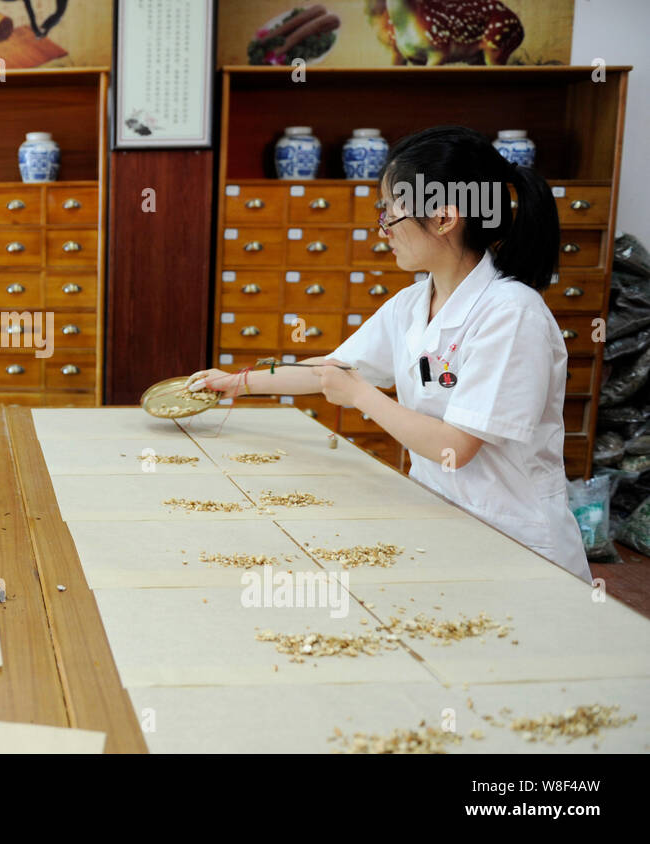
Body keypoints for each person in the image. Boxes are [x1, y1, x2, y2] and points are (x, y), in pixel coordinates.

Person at [188, 125, 590, 582]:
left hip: (516, 541)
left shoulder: (512, 314)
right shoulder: (414, 302)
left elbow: (454, 448)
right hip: (443, 521)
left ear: (443, 218)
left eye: (391, 215)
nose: (384, 231)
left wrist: (361, 395)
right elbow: (334, 369)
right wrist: (238, 381)